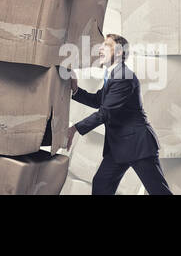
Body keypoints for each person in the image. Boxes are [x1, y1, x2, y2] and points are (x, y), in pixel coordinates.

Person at [64, 33, 173, 195]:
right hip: (119, 146)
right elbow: (98, 100)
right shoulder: (114, 75)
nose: (100, 48)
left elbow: (105, 113)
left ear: (120, 52)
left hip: (138, 145)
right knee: (101, 184)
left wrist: (75, 129)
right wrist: (76, 91)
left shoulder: (123, 76)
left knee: (158, 191)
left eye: (106, 45)